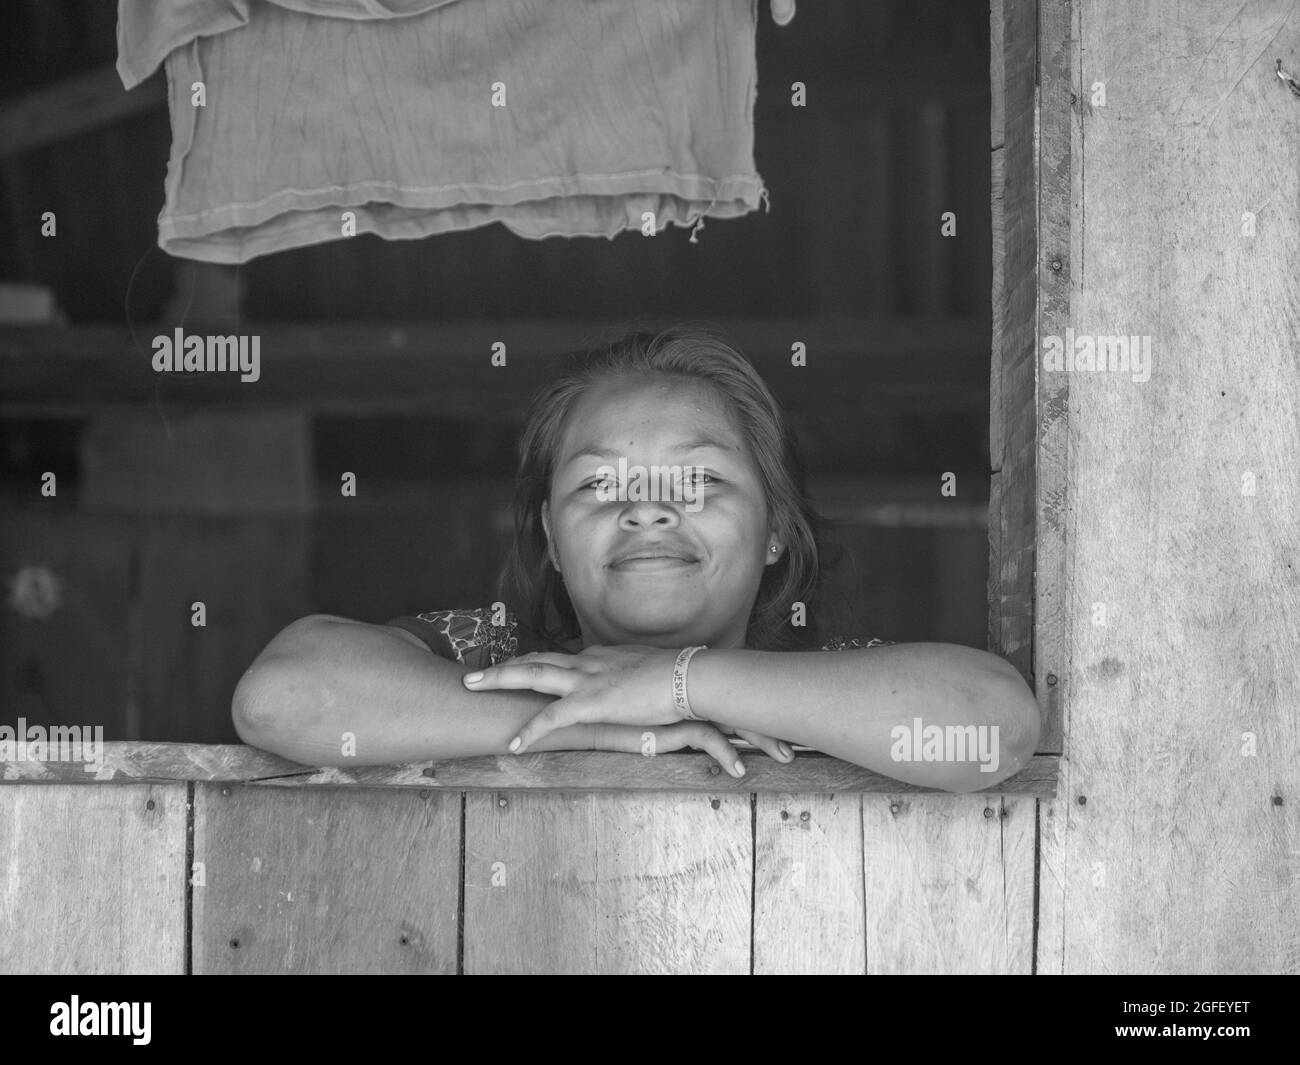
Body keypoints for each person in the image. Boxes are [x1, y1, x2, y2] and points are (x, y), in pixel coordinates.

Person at [233, 324, 1040, 792]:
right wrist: (595, 724)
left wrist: (678, 682)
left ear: (776, 532)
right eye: (599, 483)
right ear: (551, 536)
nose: (647, 506)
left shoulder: (826, 682)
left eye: (699, 477)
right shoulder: (492, 655)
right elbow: (282, 697)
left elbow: (993, 729)